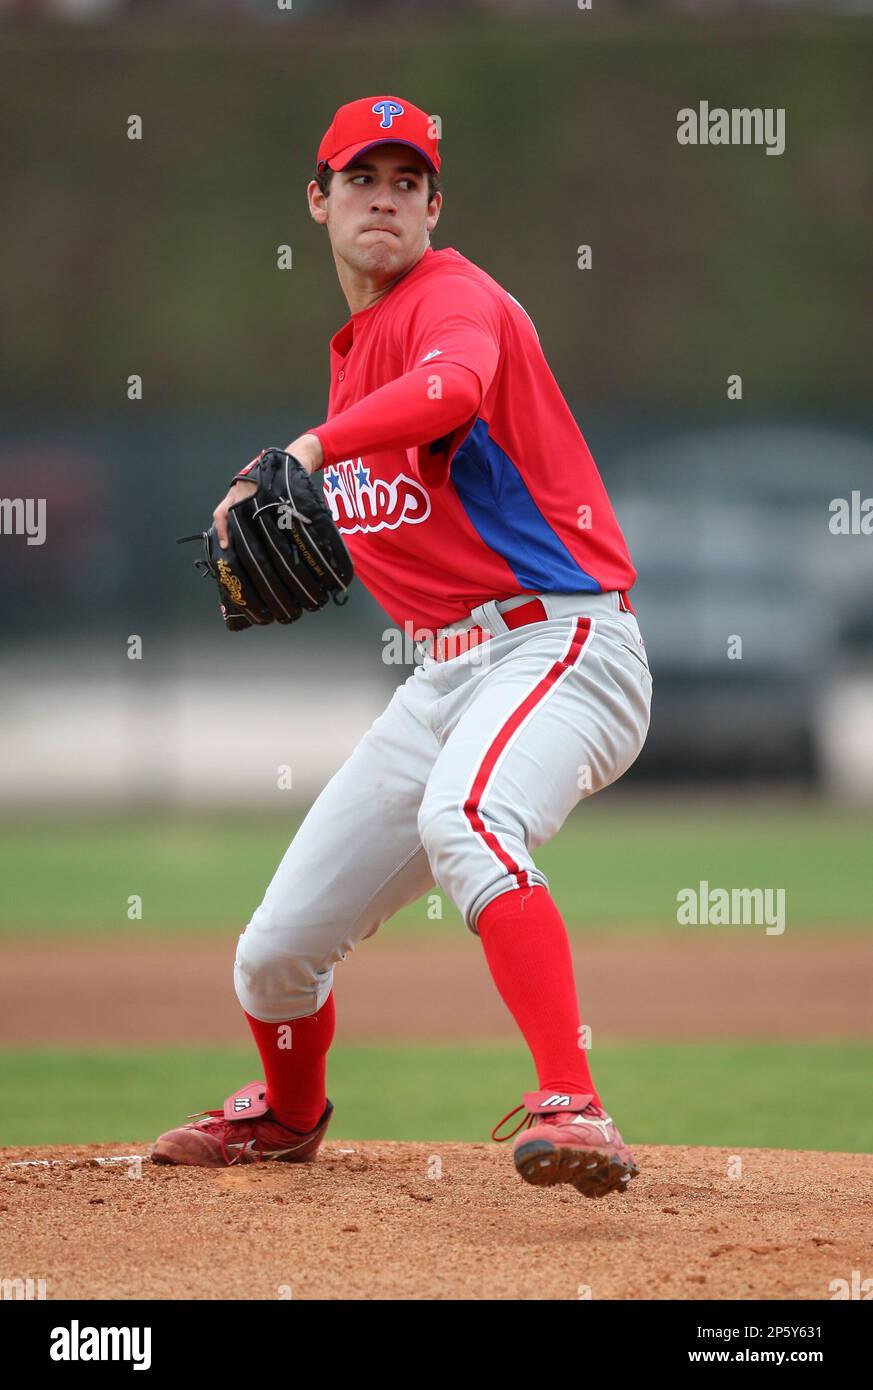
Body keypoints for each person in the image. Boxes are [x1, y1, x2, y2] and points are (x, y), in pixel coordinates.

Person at [152, 95, 653, 1198]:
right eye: (362, 178)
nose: (386, 197)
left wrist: (309, 445)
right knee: (277, 951)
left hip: (564, 642)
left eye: (408, 181)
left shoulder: (453, 300)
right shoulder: (356, 350)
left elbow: (458, 387)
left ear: (434, 206)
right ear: (318, 201)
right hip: (450, 674)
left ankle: (575, 1099)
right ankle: (286, 1115)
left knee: (467, 816)